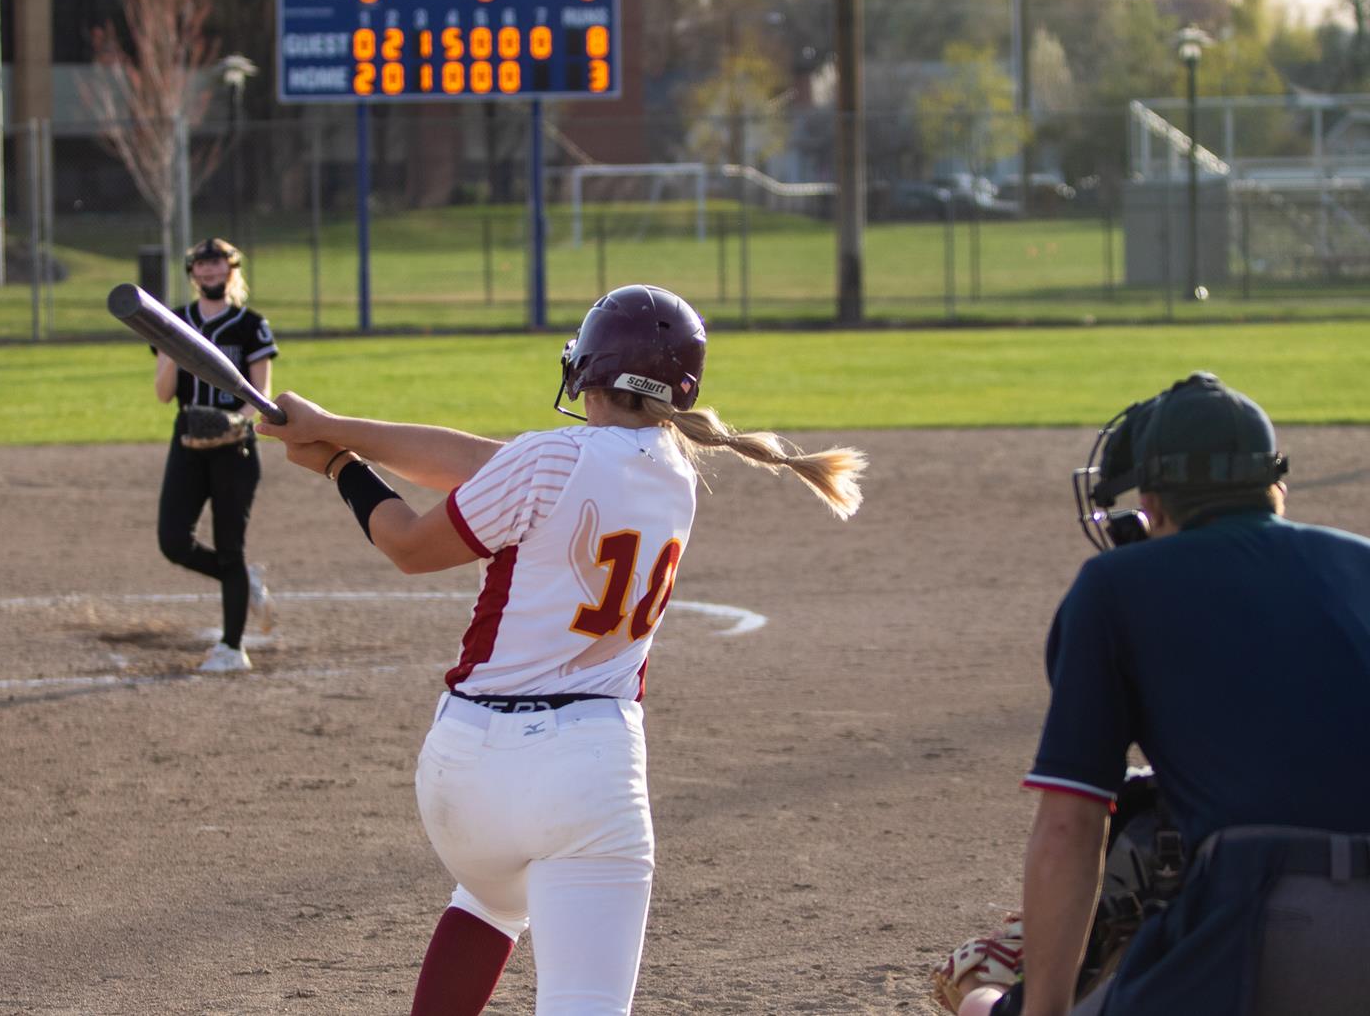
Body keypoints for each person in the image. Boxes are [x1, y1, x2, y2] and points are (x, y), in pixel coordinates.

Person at [255, 285, 864, 1015]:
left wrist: (341, 465)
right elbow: (489, 465)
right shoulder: (676, 477)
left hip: (461, 775)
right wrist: (334, 430)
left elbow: (413, 541)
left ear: (588, 369)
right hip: (584, 777)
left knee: (490, 898)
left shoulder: (549, 458)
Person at [954, 372, 1370, 1016]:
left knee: (983, 1002)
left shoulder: (1117, 585)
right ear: (1275, 486)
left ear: (1150, 502)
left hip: (1269, 932)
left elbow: (1070, 822)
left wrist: (1035, 1005)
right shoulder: (1362, 562)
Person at [151, 237, 278, 673]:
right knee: (173, 541)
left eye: (217, 264)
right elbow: (163, 393)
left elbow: (261, 393)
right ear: (192, 273)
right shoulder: (173, 322)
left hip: (234, 447)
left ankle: (231, 648)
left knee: (229, 547)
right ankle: (246, 582)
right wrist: (171, 347)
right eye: (202, 265)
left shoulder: (250, 326)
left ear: (231, 270)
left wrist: (234, 423)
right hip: (187, 440)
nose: (209, 271)